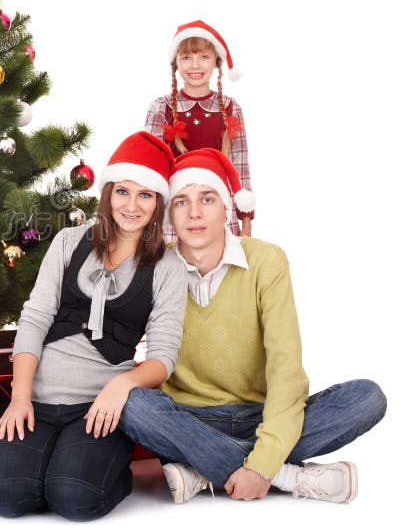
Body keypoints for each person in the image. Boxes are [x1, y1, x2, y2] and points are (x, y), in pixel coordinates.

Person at [120, 148, 387, 504]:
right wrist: (265, 466)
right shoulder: (155, 266)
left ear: (226, 207)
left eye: (207, 199)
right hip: (188, 418)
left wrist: (261, 462)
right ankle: (288, 476)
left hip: (262, 414)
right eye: (182, 201)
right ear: (170, 212)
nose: (194, 213)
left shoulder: (266, 260)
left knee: (367, 398)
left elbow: (285, 366)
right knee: (131, 405)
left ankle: (205, 468)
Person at [0, 132, 188, 521]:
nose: (131, 205)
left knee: (76, 501)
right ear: (108, 193)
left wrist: (122, 385)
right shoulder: (69, 241)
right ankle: (55, 469)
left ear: (158, 203)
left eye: (145, 195)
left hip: (99, 407)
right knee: (4, 498)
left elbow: (163, 357)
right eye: (122, 191)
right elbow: (35, 318)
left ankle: (104, 476)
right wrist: (20, 397)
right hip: (39, 400)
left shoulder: (167, 267)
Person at [144, 20, 254, 237]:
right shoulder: (160, 108)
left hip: (220, 214)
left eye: (204, 57)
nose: (195, 65)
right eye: (186, 57)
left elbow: (241, 169)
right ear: (176, 63)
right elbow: (151, 171)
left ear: (216, 62)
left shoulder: (231, 108)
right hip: (174, 216)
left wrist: (247, 223)